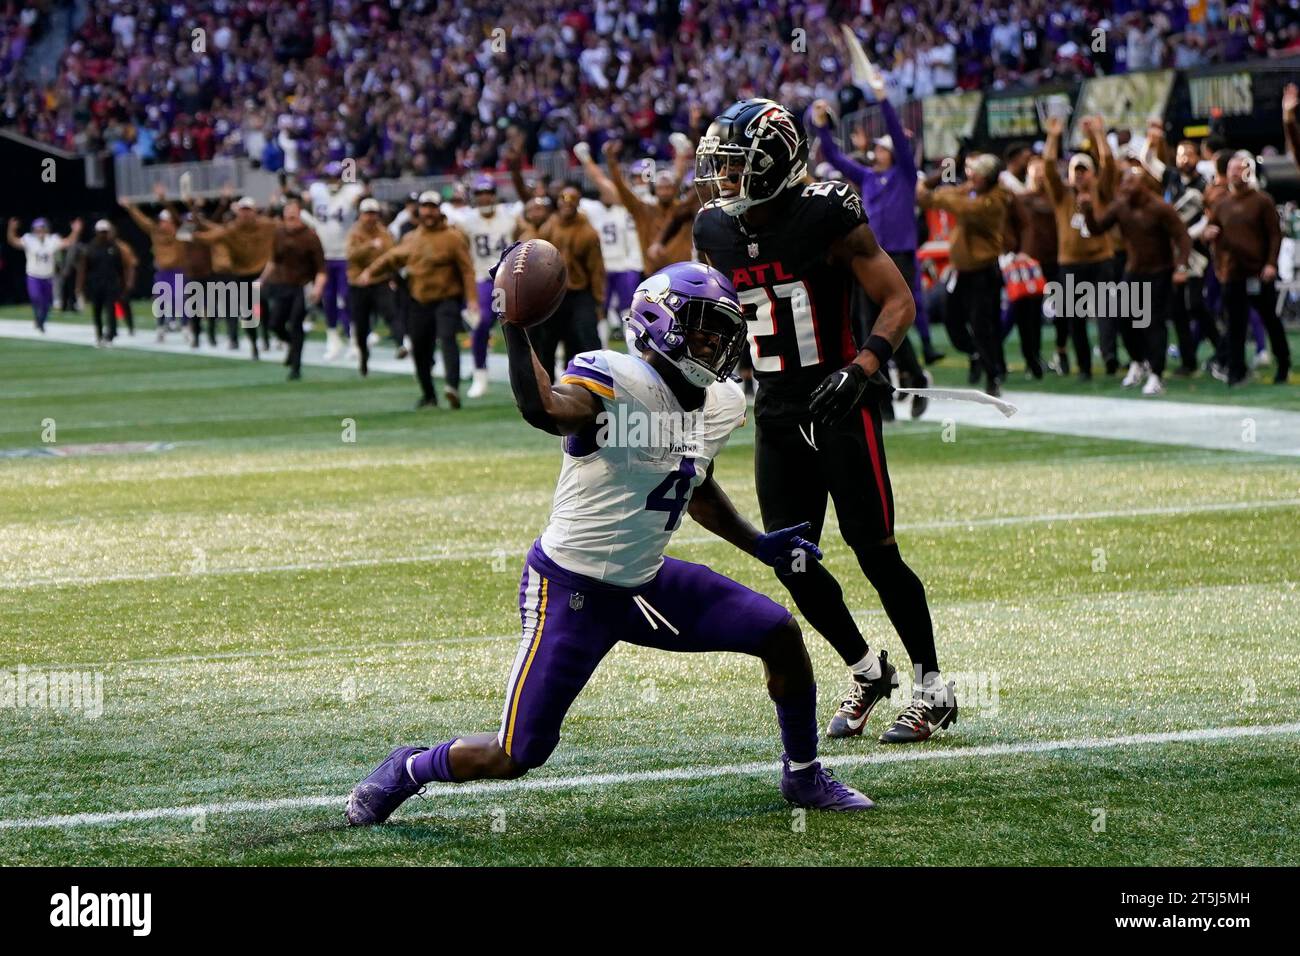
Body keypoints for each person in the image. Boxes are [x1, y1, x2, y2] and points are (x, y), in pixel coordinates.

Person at [344, 261, 875, 826]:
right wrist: (515, 325)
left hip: (646, 582)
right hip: (571, 589)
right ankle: (409, 768)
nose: (716, 344)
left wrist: (758, 543)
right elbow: (543, 408)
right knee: (516, 754)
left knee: (779, 633)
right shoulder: (614, 379)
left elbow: (692, 480)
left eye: (723, 332)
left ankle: (802, 774)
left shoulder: (718, 402)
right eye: (702, 329)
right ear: (657, 322)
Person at [694, 98, 956, 744]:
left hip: (842, 402)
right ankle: (868, 671)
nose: (723, 181)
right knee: (793, 559)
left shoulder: (826, 212)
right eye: (720, 168)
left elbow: (897, 300)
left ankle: (934, 687)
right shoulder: (713, 230)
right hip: (777, 411)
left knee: (875, 551)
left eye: (735, 167)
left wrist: (863, 366)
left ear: (775, 164)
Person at [809, 89, 941, 384]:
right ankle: (898, 384)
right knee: (870, 326)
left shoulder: (905, 174)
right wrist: (820, 125)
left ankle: (912, 374)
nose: (877, 151)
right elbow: (832, 156)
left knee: (896, 317)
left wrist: (883, 99)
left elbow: (897, 133)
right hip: (870, 257)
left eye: (883, 148)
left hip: (900, 257)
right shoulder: (867, 177)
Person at [1080, 161, 1191, 396]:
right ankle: (1138, 361)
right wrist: (1088, 210)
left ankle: (1157, 374)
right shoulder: (1121, 206)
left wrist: (1181, 266)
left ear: (1143, 186)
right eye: (1124, 185)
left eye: (1130, 184)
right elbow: (1097, 229)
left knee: (1152, 323)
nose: (1126, 189)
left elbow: (1182, 237)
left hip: (1159, 270)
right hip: (1134, 270)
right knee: (1122, 319)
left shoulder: (1160, 207)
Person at [358, 192, 477, 409]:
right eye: (425, 207)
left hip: (446, 298)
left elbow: (467, 270)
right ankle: (428, 394)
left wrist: (472, 299)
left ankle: (452, 387)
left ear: (439, 210)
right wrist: (370, 272)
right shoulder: (412, 238)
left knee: (448, 339)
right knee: (420, 349)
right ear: (419, 210)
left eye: (432, 207)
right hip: (419, 300)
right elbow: (392, 258)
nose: (429, 212)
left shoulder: (453, 237)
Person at [917, 153, 1014, 395]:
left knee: (983, 325)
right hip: (961, 272)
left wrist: (936, 196)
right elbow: (943, 197)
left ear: (989, 178)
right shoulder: (974, 192)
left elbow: (962, 206)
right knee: (952, 320)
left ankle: (993, 376)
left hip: (983, 273)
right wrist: (937, 193)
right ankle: (975, 354)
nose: (972, 177)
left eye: (978, 174)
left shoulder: (994, 200)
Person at [1042, 114, 1118, 381]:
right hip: (1070, 263)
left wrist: (1099, 134)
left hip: (1101, 259)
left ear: (1093, 174)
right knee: (1074, 319)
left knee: (1107, 312)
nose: (1081, 175)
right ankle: (1084, 367)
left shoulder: (1103, 191)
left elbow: (1109, 163)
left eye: (1085, 169)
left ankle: (1110, 358)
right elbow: (1048, 166)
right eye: (1076, 170)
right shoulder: (1062, 195)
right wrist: (1053, 136)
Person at [1202, 152, 1289, 385]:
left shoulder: (1262, 201)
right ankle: (1235, 370)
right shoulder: (1222, 203)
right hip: (1232, 272)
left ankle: (1283, 364)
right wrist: (1208, 235)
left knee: (1270, 318)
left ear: (1249, 172)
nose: (1234, 173)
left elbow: (1274, 235)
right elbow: (1210, 229)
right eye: (1231, 169)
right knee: (1235, 325)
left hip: (1258, 271)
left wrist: (1271, 263)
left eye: (1239, 169)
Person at [445, 176, 521, 398]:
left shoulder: (510, 216)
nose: (484, 197)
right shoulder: (466, 220)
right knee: (481, 323)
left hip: (509, 277)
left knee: (520, 325)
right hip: (482, 278)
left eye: (487, 192)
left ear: (494, 194)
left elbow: (521, 239)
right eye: (479, 193)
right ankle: (480, 374)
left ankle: (528, 375)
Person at [537, 186, 606, 380]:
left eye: (571, 200)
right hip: (553, 294)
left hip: (579, 293)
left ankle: (598, 382)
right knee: (547, 344)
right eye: (562, 199)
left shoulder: (588, 233)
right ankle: (546, 389)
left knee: (587, 339)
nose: (566, 204)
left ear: (577, 203)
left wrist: (598, 301)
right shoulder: (548, 227)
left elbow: (596, 270)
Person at [193, 196, 276, 356]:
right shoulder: (232, 229)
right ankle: (254, 345)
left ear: (254, 212)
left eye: (248, 210)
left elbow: (283, 227)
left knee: (264, 304)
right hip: (242, 273)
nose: (245, 214)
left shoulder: (266, 225)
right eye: (243, 211)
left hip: (261, 272)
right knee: (246, 313)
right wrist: (194, 236)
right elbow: (212, 235)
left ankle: (265, 338)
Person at [257, 199, 326, 380]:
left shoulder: (310, 236)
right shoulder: (279, 233)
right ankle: (292, 347)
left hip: (302, 286)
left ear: (299, 215)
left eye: (293, 214)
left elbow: (321, 268)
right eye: (287, 214)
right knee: (275, 324)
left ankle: (296, 368)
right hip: (282, 284)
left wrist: (318, 288)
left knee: (296, 324)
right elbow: (273, 260)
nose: (290, 218)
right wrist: (262, 279)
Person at [1004, 156, 1058, 378]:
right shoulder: (1020, 199)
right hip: (1029, 264)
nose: (1040, 174)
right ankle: (1031, 358)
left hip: (1055, 259)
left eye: (1043, 170)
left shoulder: (1057, 197)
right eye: (1035, 170)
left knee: (1061, 312)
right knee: (1028, 314)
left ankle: (1057, 353)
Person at [307, 170, 366, 361]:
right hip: (324, 256)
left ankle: (354, 338)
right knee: (328, 299)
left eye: (336, 177)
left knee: (347, 297)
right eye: (329, 177)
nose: (333, 181)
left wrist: (362, 193)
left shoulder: (350, 192)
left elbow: (360, 198)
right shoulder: (318, 191)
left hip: (344, 255)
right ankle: (332, 339)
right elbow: (305, 197)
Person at [122, 183, 188, 342]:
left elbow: (181, 220)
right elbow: (142, 220)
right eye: (162, 221)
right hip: (163, 271)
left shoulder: (182, 233)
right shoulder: (156, 232)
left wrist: (164, 200)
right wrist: (130, 207)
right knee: (161, 301)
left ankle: (186, 328)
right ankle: (160, 328)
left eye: (166, 221)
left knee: (182, 301)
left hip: (178, 270)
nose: (163, 223)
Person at [344, 197, 395, 377]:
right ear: (361, 215)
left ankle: (401, 343)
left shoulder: (384, 233)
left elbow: (390, 255)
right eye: (367, 214)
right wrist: (370, 247)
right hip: (358, 283)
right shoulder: (354, 233)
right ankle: (363, 357)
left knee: (390, 313)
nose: (370, 218)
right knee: (361, 325)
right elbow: (351, 255)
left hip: (379, 280)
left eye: (373, 213)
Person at [7, 215, 82, 332]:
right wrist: (11, 229)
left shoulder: (53, 239)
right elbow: (13, 241)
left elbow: (68, 242)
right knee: (36, 298)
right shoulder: (29, 239)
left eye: (42, 228)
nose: (40, 230)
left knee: (47, 303)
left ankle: (41, 321)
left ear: (46, 228)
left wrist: (76, 231)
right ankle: (39, 320)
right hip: (33, 276)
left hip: (47, 276)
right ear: (34, 229)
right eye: (38, 228)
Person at [77, 220, 133, 346]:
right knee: (97, 311)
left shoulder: (114, 247)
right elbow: (83, 270)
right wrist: (80, 287)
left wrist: (124, 284)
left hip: (111, 284)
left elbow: (120, 268)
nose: (104, 234)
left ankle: (110, 336)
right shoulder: (90, 248)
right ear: (96, 232)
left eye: (105, 232)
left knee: (111, 310)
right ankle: (99, 334)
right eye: (101, 232)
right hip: (95, 285)